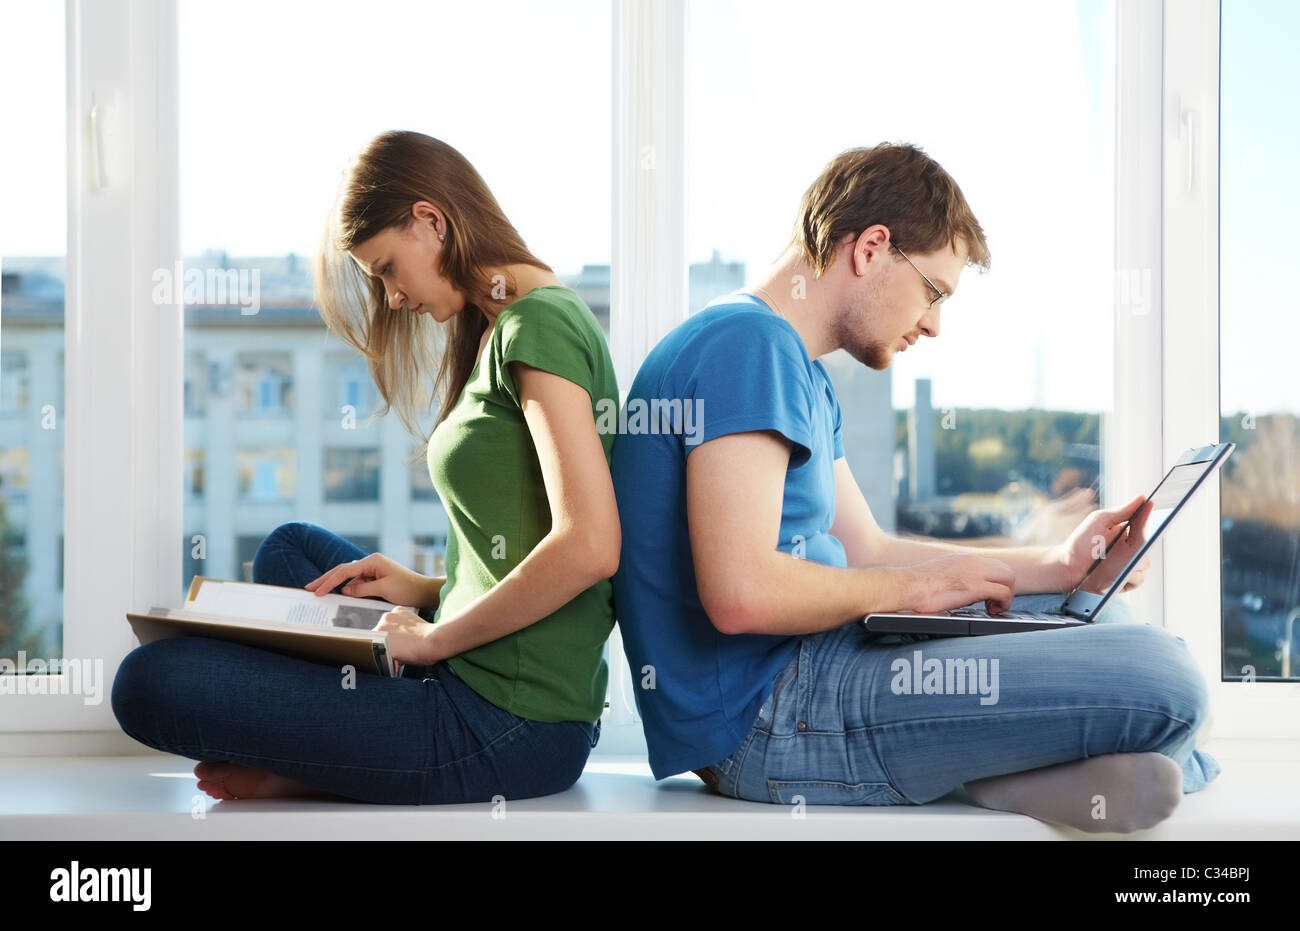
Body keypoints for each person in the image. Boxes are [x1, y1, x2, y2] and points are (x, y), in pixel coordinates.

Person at [610, 142, 1219, 834]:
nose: (932, 322)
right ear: (871, 247)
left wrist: (1058, 563)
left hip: (817, 669)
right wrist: (920, 591)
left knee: (1095, 612)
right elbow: (740, 591)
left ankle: (1006, 773)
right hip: (774, 716)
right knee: (1168, 679)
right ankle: (988, 766)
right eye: (933, 291)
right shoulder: (746, 349)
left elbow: (864, 547)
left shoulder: (794, 367)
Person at [112, 130, 621, 804]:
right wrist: (427, 588)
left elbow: (589, 546)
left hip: (511, 722)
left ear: (430, 221)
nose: (391, 297)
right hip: (474, 672)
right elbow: (523, 540)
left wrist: (435, 640)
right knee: (290, 551)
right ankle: (340, 743)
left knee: (149, 680)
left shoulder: (539, 327)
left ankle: (312, 762)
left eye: (385, 267)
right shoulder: (504, 325)